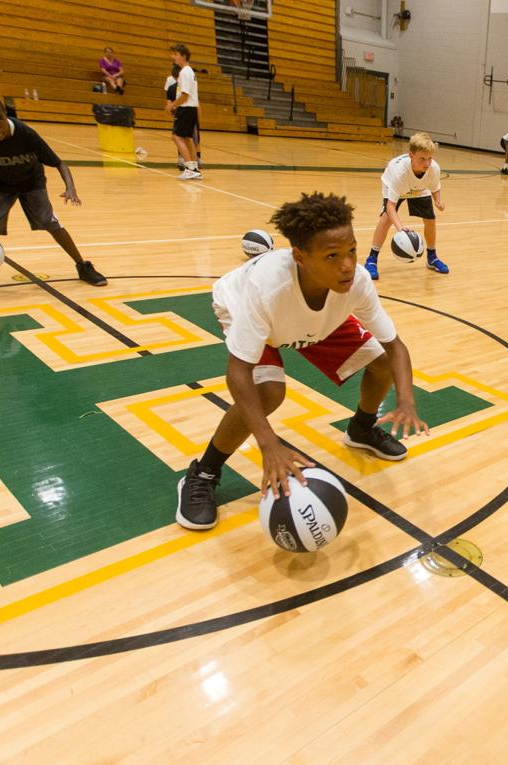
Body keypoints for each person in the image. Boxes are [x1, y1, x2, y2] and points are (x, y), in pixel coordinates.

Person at [175, 192, 429, 531]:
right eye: (333, 255)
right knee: (268, 392)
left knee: (380, 360)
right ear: (300, 256)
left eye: (352, 250)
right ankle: (203, 473)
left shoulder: (354, 283)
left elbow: (395, 347)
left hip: (311, 317)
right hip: (247, 311)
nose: (348, 265)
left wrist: (407, 399)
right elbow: (238, 371)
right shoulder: (268, 287)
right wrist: (269, 444)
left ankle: (362, 428)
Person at [0, 92, 107, 292]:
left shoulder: (24, 133)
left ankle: (83, 266)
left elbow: (59, 163)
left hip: (31, 182)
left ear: (5, 114)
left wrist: (70, 188)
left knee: (51, 223)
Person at [363, 132, 449, 280]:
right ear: (411, 155)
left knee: (430, 219)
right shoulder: (399, 173)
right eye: (422, 158)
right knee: (386, 219)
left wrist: (438, 201)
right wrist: (400, 228)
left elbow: (435, 187)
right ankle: (371, 259)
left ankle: (432, 257)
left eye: (429, 158)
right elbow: (390, 206)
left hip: (419, 188)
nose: (427, 163)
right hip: (395, 185)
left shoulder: (433, 168)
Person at [166, 43, 201, 180]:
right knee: (187, 138)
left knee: (177, 136)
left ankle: (190, 168)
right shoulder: (189, 71)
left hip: (186, 108)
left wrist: (172, 105)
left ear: (183, 56)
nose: (173, 57)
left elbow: (185, 95)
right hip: (191, 109)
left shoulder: (185, 72)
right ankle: (194, 167)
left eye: (176, 54)